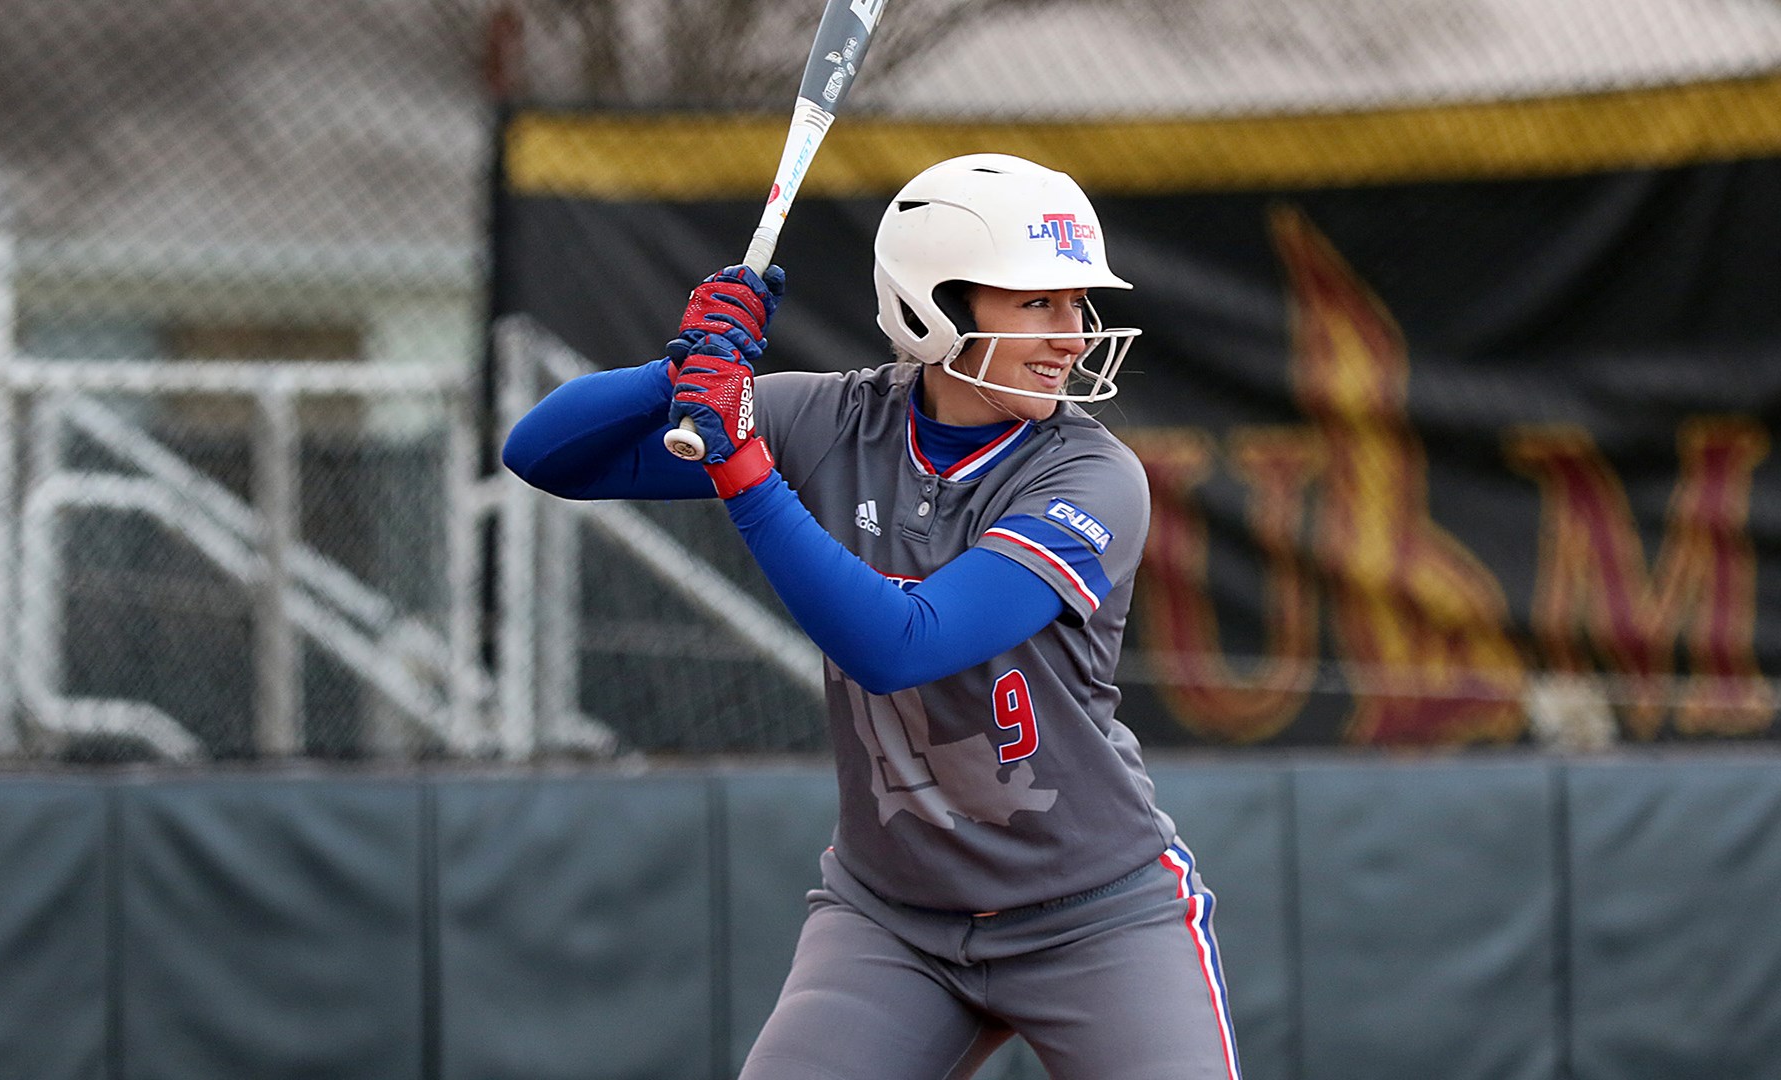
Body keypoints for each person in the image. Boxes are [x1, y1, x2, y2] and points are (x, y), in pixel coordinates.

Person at [503, 153, 1241, 1080]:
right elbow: (543, 453)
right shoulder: (836, 418)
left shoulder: (1091, 474)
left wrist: (744, 470)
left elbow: (901, 645)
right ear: (936, 307)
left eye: (1075, 304)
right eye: (1037, 303)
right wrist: (680, 370)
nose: (1073, 336)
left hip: (1093, 913)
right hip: (892, 919)